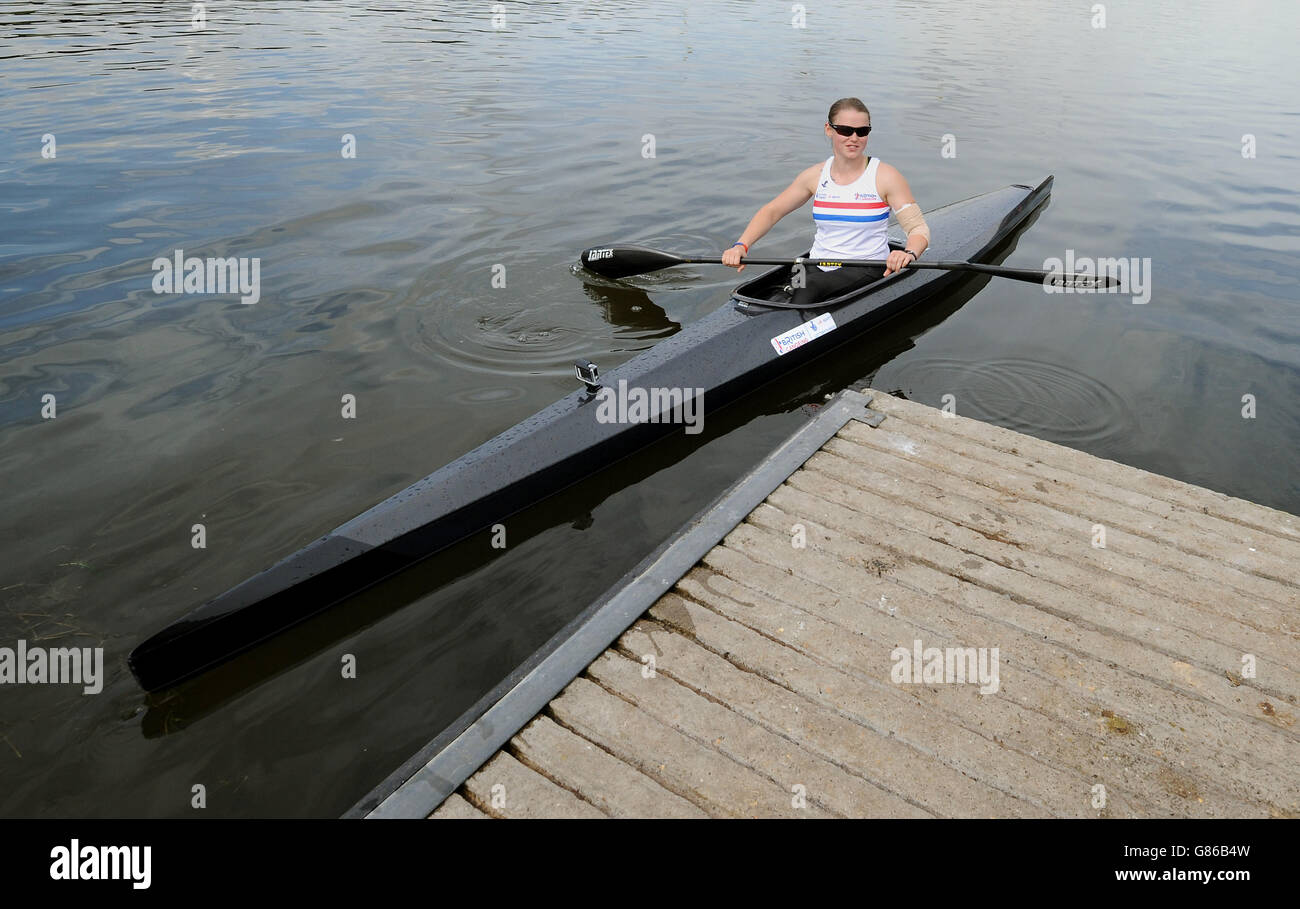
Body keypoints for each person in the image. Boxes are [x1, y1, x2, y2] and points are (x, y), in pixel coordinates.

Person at [721, 98, 931, 307]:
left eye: (862, 131)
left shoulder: (886, 177)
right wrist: (741, 245)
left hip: (868, 266)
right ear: (829, 130)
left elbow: (918, 228)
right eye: (845, 130)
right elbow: (773, 211)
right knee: (780, 287)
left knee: (808, 287)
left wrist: (908, 253)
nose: (854, 138)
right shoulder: (814, 176)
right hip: (816, 264)